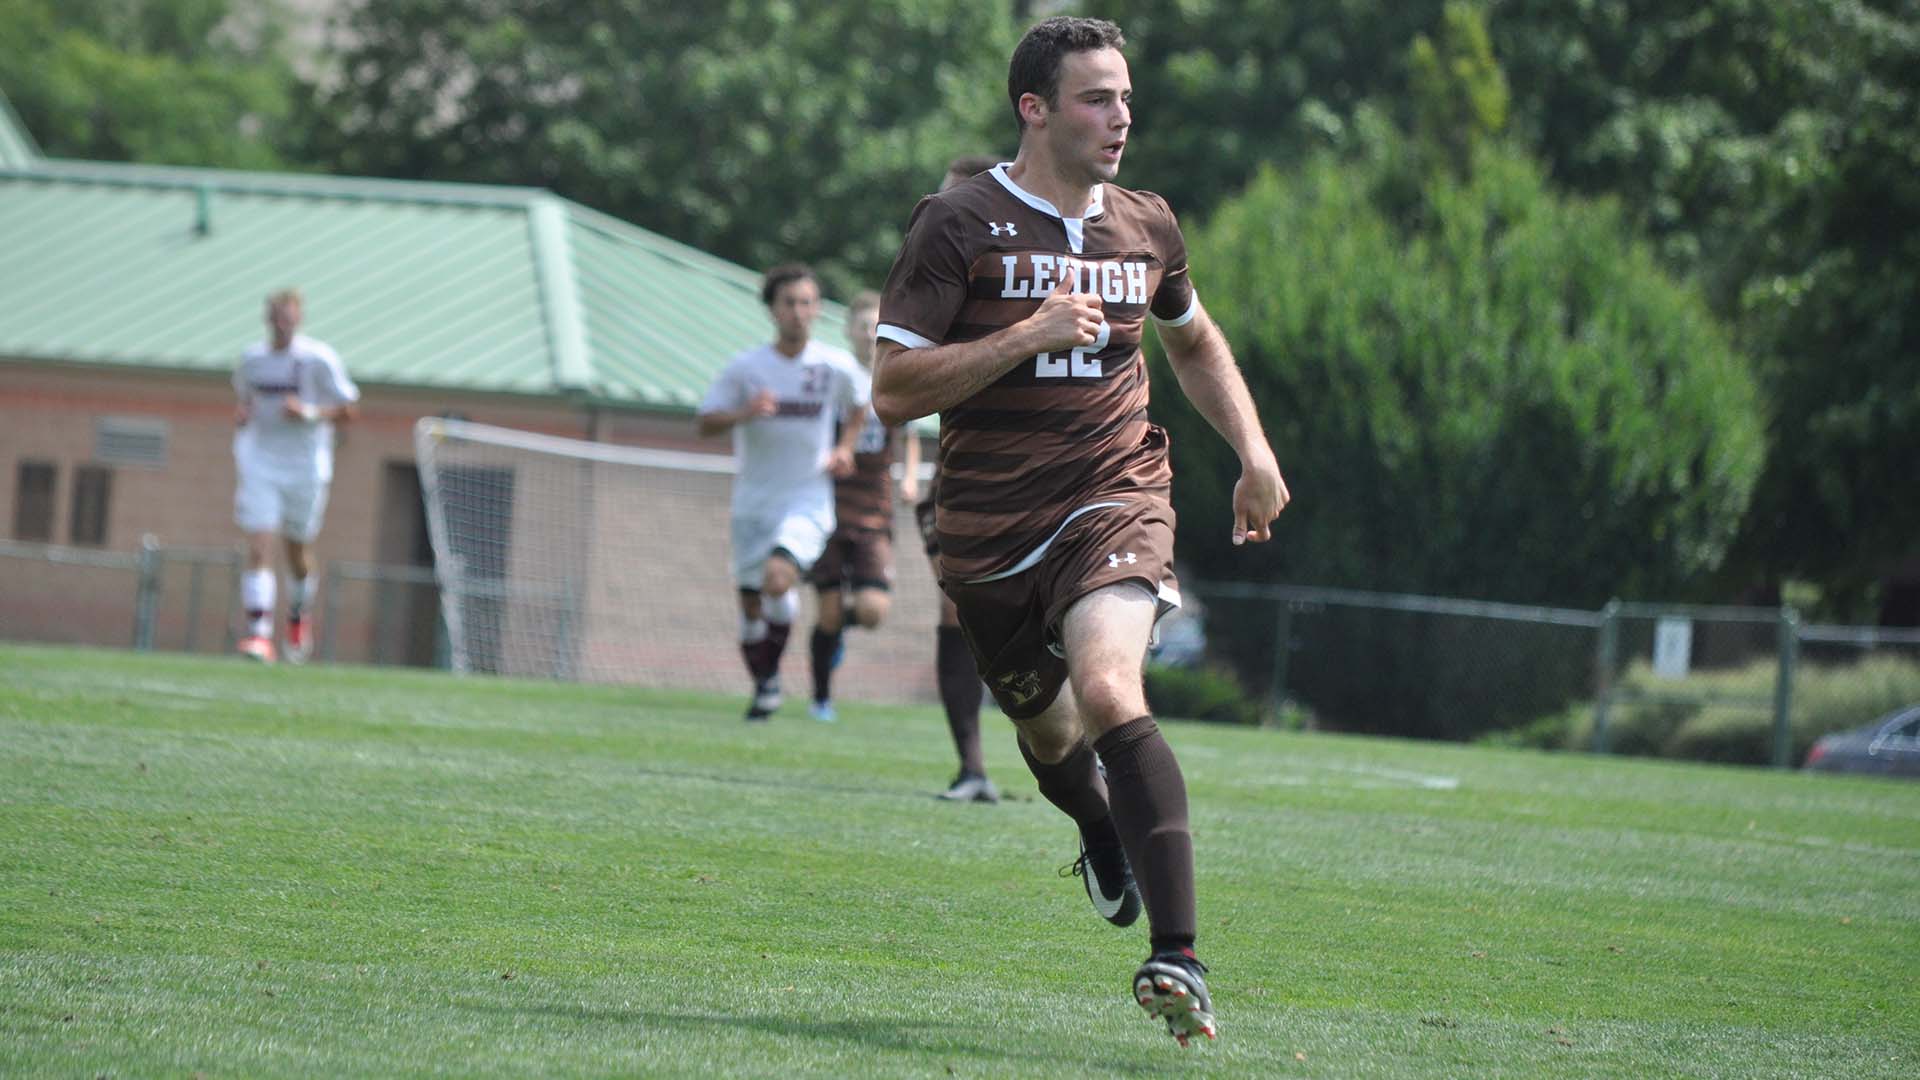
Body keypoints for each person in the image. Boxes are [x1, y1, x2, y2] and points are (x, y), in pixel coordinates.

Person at [871, 17, 1290, 1046]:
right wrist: (1029, 333)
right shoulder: (958, 222)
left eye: (1127, 98)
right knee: (1053, 733)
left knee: (1109, 686)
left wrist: (1255, 454)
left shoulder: (1147, 223)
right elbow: (891, 390)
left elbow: (1193, 343)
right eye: (1098, 98)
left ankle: (1179, 956)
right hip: (987, 529)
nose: (1122, 117)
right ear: (1036, 107)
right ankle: (1099, 824)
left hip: (1115, 493)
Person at [699, 264, 867, 721]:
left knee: (779, 577)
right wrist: (744, 413)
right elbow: (704, 420)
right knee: (752, 604)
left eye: (807, 302)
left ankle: (770, 680)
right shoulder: (746, 368)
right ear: (772, 310)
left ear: (817, 309)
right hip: (754, 500)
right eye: (789, 303)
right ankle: (766, 681)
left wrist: (845, 448)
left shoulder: (833, 365)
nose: (799, 312)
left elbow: (860, 405)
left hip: (807, 497)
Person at [921, 154, 1006, 803]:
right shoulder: (929, 279)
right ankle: (972, 767)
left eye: (957, 203)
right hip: (959, 472)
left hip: (1049, 474)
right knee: (959, 611)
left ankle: (1088, 763)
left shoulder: (1032, 272)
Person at [805, 291, 921, 723]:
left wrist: (909, 479)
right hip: (828, 506)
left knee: (872, 611)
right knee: (829, 612)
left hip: (874, 509)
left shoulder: (893, 376)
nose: (868, 332)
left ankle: (836, 634)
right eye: (860, 324)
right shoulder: (833, 376)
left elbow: (909, 435)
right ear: (847, 330)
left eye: (876, 324)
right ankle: (821, 699)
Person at [231, 288, 360, 664]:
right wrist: (243, 415)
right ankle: (258, 636)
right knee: (258, 544)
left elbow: (349, 409)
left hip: (305, 466)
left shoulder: (318, 359)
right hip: (261, 462)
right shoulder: (252, 360)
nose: (281, 324)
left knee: (297, 550)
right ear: (267, 319)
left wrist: (307, 412)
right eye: (275, 317)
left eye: (287, 317)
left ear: (298, 319)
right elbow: (246, 400)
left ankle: (298, 616)